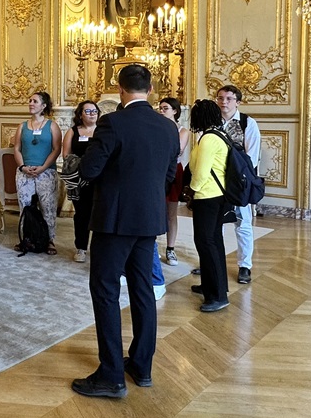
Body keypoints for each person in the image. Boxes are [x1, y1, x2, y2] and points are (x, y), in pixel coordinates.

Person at [71, 64, 179, 399]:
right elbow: (169, 175)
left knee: (104, 291)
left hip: (114, 221)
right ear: (150, 89)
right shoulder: (168, 127)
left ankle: (111, 375)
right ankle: (142, 366)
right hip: (149, 219)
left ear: (120, 90)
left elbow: (89, 168)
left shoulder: (112, 122)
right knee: (142, 289)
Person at [187, 98, 231, 313]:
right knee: (213, 241)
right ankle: (211, 286)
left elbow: (202, 172)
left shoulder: (208, 139)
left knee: (206, 242)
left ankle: (217, 295)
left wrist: (193, 190)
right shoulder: (217, 135)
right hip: (216, 195)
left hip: (208, 196)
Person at [215, 84, 261, 284]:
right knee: (215, 224)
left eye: (228, 99)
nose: (223, 102)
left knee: (242, 223)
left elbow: (252, 156)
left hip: (239, 181)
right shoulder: (213, 122)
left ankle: (244, 266)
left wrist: (237, 176)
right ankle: (213, 262)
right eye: (220, 98)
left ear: (238, 102)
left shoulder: (247, 123)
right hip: (215, 181)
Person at [10, 91, 60, 255]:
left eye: (35, 101)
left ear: (43, 106)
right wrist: (23, 166)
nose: (31, 103)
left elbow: (56, 149)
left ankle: (49, 240)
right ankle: (27, 239)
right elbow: (16, 149)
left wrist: (44, 167)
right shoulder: (22, 126)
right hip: (25, 172)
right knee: (25, 207)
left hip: (46, 172)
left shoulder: (51, 126)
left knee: (48, 208)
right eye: (30, 100)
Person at [62, 100, 101, 263]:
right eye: (88, 111)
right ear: (80, 114)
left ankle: (99, 249)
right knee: (82, 215)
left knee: (100, 215)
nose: (92, 114)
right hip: (79, 180)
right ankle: (81, 247)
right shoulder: (73, 131)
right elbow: (66, 156)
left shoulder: (103, 131)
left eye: (94, 111)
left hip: (100, 179)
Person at [159, 97, 191, 266]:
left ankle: (170, 248)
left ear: (175, 111)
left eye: (165, 108)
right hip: (156, 169)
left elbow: (177, 151)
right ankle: (152, 245)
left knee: (171, 212)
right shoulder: (156, 127)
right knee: (155, 209)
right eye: (160, 108)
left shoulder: (182, 130)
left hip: (173, 170)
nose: (161, 111)